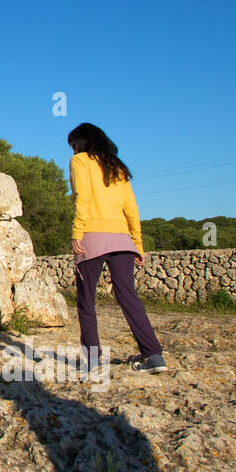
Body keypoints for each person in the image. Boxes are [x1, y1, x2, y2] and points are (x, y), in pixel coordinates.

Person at [67, 123, 167, 375]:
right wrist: (138, 244)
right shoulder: (117, 166)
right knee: (128, 295)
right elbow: (131, 207)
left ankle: (91, 361)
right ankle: (153, 356)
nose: (72, 151)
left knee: (86, 300)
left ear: (80, 143)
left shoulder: (80, 161)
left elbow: (83, 196)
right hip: (122, 239)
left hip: (92, 235)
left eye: (73, 145)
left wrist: (77, 231)